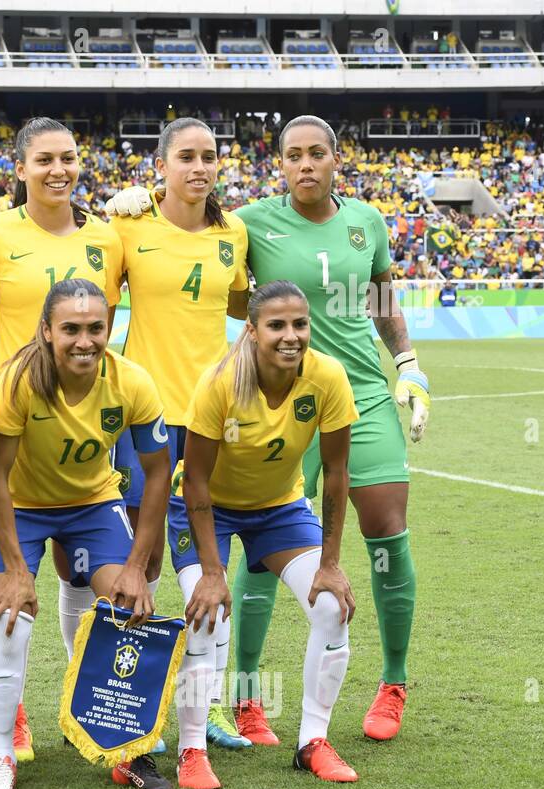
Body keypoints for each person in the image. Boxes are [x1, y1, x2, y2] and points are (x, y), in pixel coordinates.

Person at [107, 114, 430, 743]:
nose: (306, 164)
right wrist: (138, 199)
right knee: (252, 538)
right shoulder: (247, 222)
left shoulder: (366, 223)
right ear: (278, 164)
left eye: (318, 153)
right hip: (258, 402)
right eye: (293, 155)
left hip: (353, 389)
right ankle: (240, 698)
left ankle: (393, 682)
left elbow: (382, 298)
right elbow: (188, 227)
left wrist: (410, 364)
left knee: (387, 531)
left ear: (338, 159)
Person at [0, 116, 125, 761]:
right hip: (13, 424)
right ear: (21, 170)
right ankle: (15, 717)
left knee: (83, 575)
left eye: (68, 158)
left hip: (81, 433)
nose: (58, 170)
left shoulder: (109, 239)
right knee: (9, 588)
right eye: (44, 160)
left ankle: (84, 698)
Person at [0, 278, 170, 789]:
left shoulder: (131, 381)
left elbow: (158, 472)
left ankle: (126, 749)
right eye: (70, 330)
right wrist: (17, 570)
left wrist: (136, 564)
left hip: (92, 505)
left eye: (94, 329)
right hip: (19, 506)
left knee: (130, 607)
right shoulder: (17, 381)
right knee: (11, 619)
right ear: (46, 331)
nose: (84, 341)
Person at [173, 280, 359, 788]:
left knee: (330, 606)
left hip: (278, 508)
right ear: (252, 330)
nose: (290, 335)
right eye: (276, 325)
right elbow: (195, 480)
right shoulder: (220, 384)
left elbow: (338, 473)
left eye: (299, 324)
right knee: (205, 614)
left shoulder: (327, 377)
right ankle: (192, 750)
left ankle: (312, 742)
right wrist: (213, 572)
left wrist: (331, 562)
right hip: (204, 508)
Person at [107, 117, 254, 762]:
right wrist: (112, 202)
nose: (199, 167)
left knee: (209, 556)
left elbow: (245, 307)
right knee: (143, 560)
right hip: (145, 416)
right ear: (161, 165)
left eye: (209, 158)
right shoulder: (129, 226)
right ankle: (129, 700)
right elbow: (92, 303)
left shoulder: (234, 232)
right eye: (186, 157)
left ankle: (209, 701)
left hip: (213, 416)